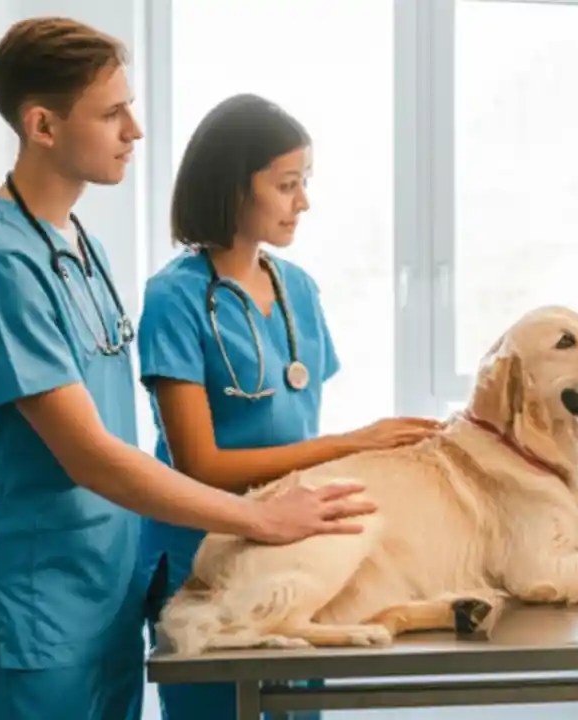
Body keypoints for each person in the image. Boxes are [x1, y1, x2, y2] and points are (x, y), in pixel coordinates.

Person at [0, 19, 376, 720]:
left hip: (107, 594)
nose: (134, 130)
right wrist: (261, 519)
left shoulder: (82, 246)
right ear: (43, 125)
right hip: (33, 605)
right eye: (111, 113)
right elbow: (92, 458)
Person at [136, 93, 440, 719]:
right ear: (232, 187)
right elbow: (199, 465)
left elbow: (297, 422)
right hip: (206, 555)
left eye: (304, 183)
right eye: (286, 184)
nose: (303, 201)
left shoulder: (297, 287)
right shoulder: (175, 299)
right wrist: (353, 444)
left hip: (289, 546)